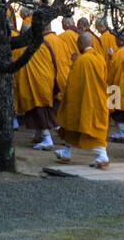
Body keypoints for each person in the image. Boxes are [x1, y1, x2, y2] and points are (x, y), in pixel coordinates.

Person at [54, 31, 112, 168]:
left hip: (84, 100)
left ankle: (102, 155)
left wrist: (64, 97)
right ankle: (66, 152)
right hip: (98, 98)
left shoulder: (81, 60)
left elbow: (72, 83)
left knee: (87, 127)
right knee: (73, 127)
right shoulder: (99, 58)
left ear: (80, 44)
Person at [12, 25, 59, 150]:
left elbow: (14, 68)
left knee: (37, 109)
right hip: (46, 81)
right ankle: (39, 135)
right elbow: (54, 62)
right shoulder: (43, 44)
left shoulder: (19, 48)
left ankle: (47, 138)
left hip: (32, 84)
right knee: (40, 109)